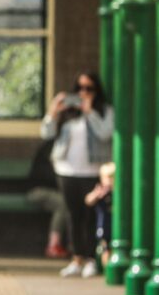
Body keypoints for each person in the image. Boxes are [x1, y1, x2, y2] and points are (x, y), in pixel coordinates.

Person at [42, 71, 115, 278]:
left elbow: (105, 134)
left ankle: (92, 258)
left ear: (96, 91)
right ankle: (77, 258)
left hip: (92, 171)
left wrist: (90, 112)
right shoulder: (68, 113)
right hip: (66, 170)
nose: (83, 93)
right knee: (73, 215)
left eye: (89, 89)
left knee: (92, 216)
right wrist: (53, 111)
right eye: (79, 89)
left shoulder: (103, 111)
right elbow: (46, 133)